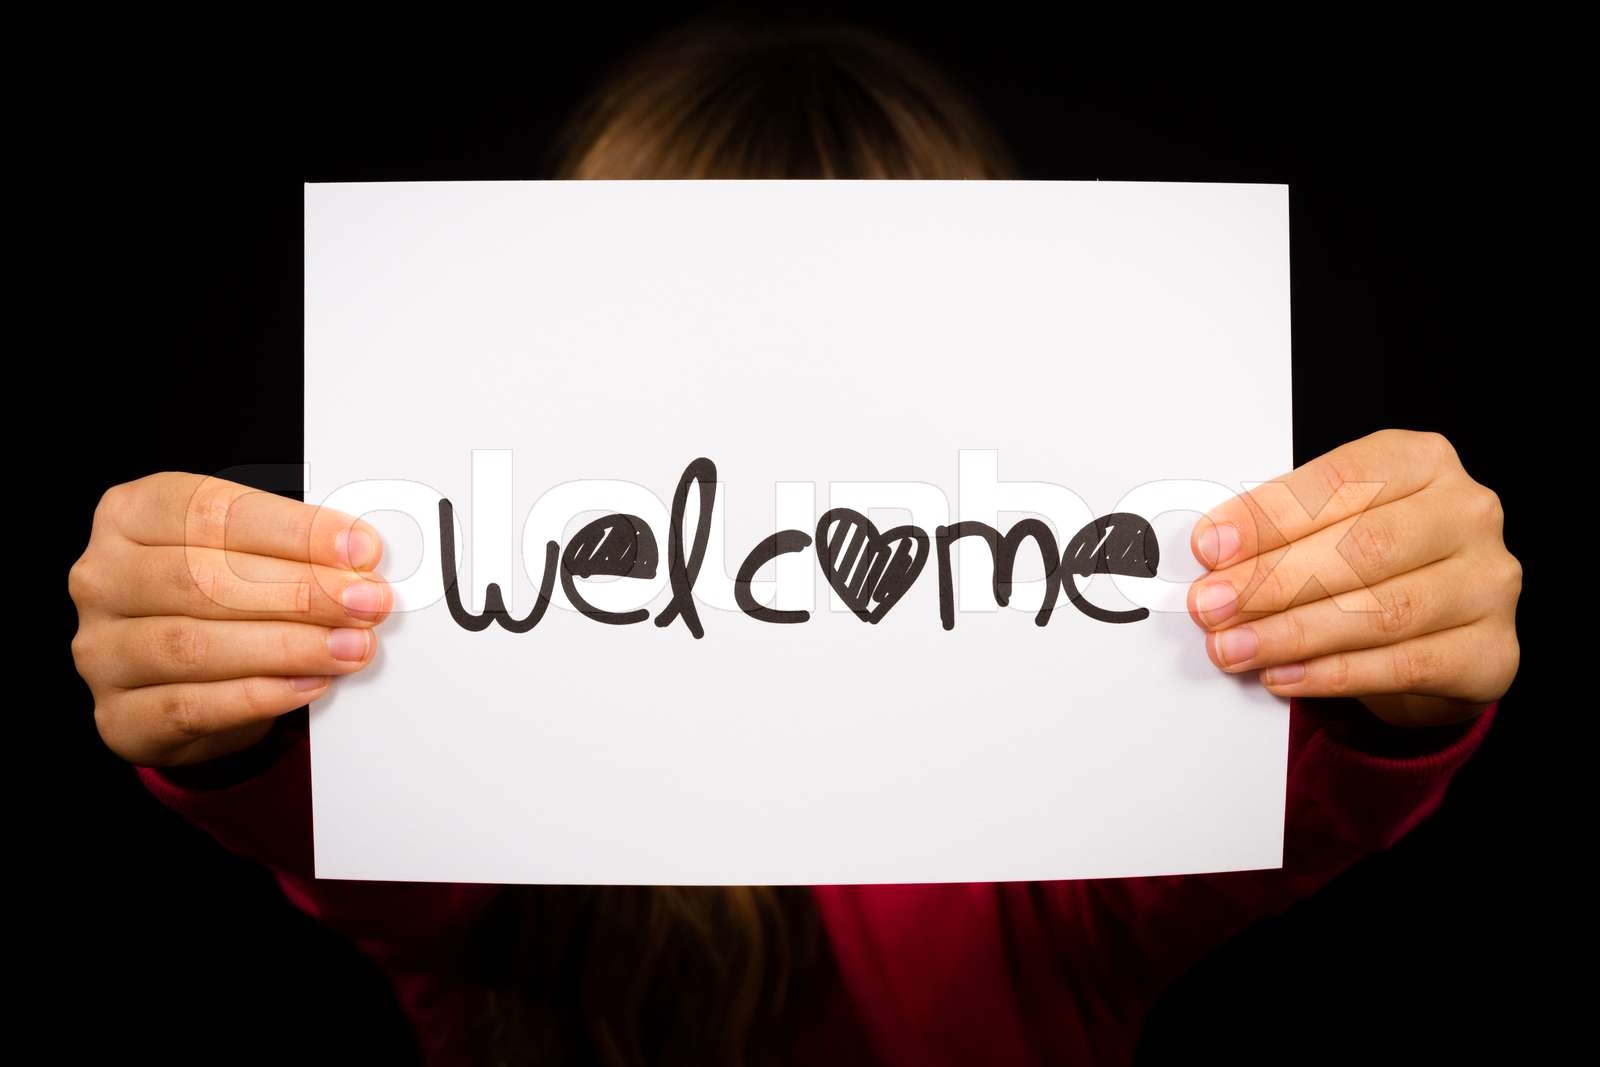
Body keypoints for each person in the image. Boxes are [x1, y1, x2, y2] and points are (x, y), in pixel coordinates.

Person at [67, 21, 1521, 1067]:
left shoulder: (1067, 853)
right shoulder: (497, 817)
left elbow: (1285, 810)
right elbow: (352, 831)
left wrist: (1398, 667)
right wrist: (222, 701)